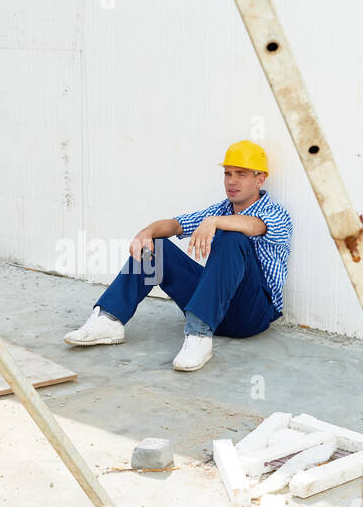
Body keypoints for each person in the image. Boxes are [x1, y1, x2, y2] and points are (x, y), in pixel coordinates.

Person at [64, 140, 292, 371]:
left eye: (241, 174)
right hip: (217, 308)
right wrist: (146, 232)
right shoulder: (220, 211)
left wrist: (215, 222)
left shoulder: (276, 214)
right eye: (227, 173)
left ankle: (199, 334)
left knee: (233, 237)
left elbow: (253, 226)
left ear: (260, 179)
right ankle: (110, 319)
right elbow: (175, 224)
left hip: (251, 314)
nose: (232, 181)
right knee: (157, 247)